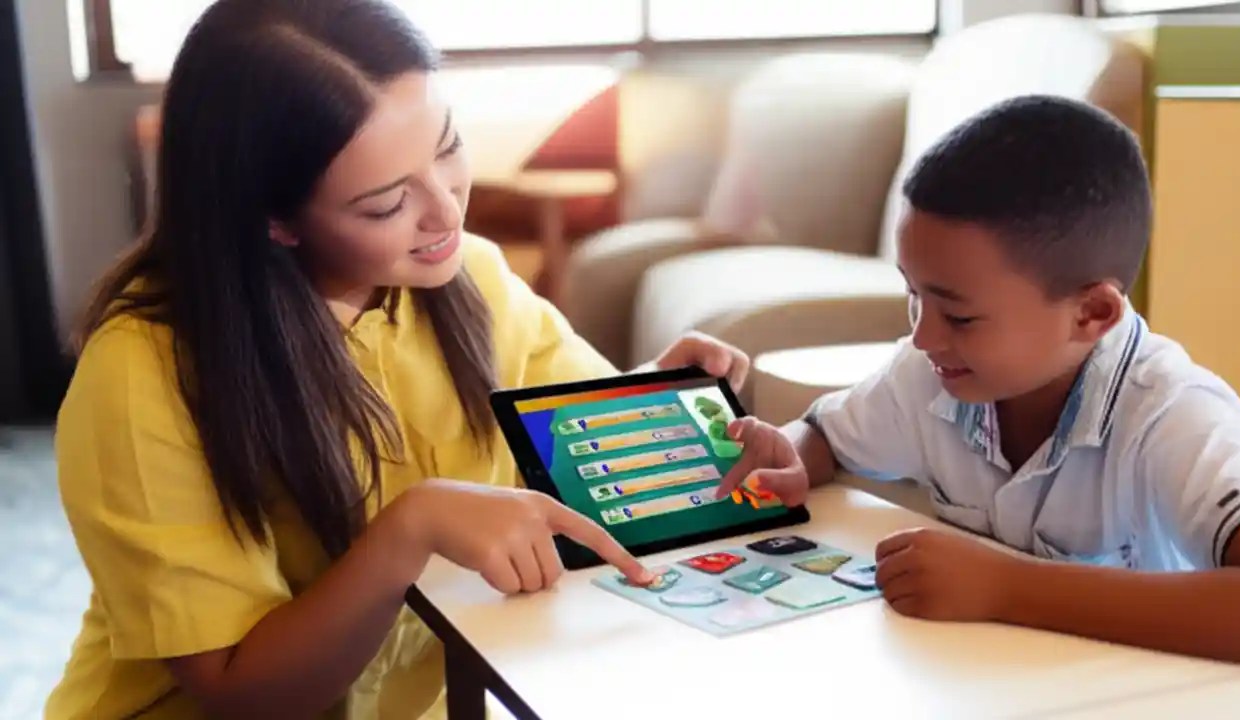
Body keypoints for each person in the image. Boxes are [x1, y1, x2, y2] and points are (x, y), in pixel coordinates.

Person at [45, 1, 751, 717]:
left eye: (448, 149)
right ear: (274, 219)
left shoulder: (473, 277)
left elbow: (569, 455)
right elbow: (239, 693)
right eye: (387, 204)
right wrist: (408, 532)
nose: (447, 212)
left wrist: (655, 402)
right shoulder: (143, 374)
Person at [716, 95, 1240, 667]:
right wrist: (790, 454)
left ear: (1091, 314)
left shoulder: (1174, 415)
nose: (922, 336)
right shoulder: (931, 376)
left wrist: (1006, 587)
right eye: (913, 294)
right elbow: (827, 436)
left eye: (959, 316)